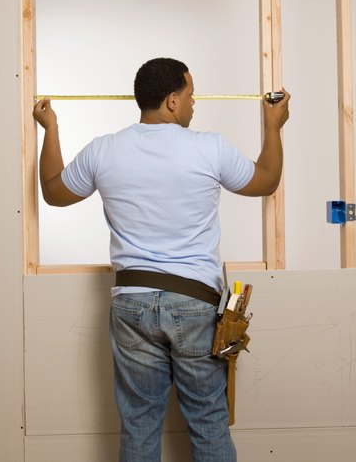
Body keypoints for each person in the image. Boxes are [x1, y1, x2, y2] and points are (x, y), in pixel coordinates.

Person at [33, 57, 290, 462]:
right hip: (195, 305)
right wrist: (274, 126)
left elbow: (54, 191)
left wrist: (50, 129)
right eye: (190, 95)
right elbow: (266, 181)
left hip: (131, 304)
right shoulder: (209, 147)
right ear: (172, 100)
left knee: (139, 424)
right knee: (208, 422)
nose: (193, 104)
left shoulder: (105, 149)